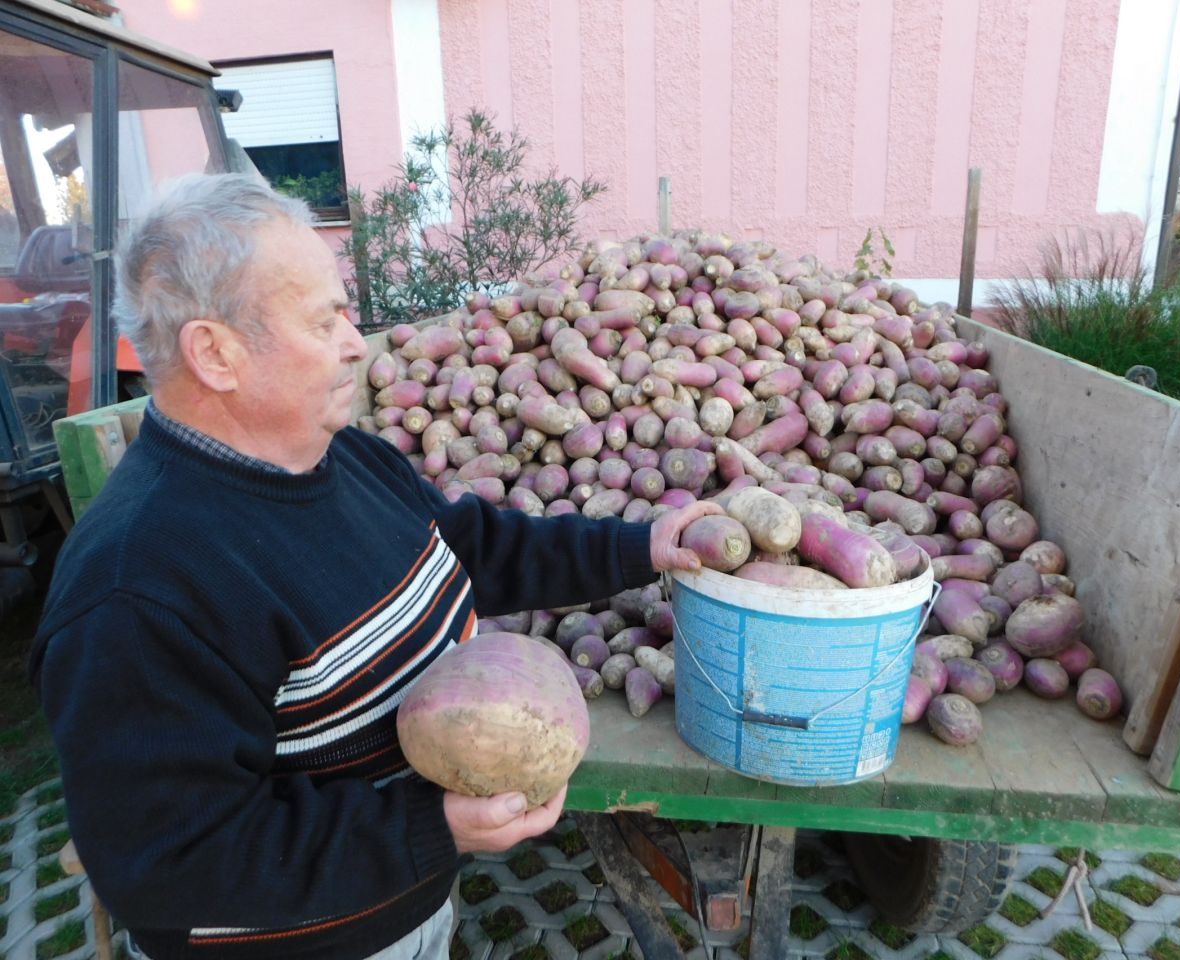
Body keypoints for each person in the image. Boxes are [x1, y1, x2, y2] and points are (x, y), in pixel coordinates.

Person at [29, 173, 719, 960]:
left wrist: (637, 548)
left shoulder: (338, 455)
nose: (358, 342)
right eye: (325, 321)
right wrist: (430, 829)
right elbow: (164, 862)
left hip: (402, 911)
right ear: (216, 353)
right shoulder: (138, 590)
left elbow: (468, 548)